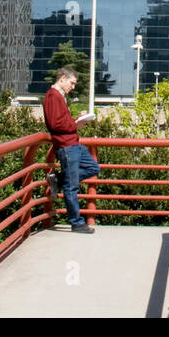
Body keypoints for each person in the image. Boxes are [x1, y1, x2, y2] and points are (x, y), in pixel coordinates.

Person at [43, 67, 99, 233]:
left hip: (73, 144)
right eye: (72, 83)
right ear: (62, 79)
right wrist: (76, 124)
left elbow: (60, 122)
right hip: (67, 146)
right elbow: (54, 124)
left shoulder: (58, 97)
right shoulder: (53, 96)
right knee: (71, 186)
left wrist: (76, 120)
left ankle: (58, 180)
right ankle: (77, 222)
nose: (73, 87)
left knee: (93, 168)